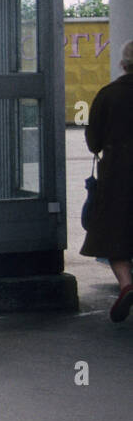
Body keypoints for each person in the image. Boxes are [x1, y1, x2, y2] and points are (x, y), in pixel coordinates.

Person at [80, 39, 133, 322]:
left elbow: (93, 141)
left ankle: (126, 285)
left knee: (116, 235)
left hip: (118, 173)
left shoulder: (109, 94)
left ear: (123, 64)